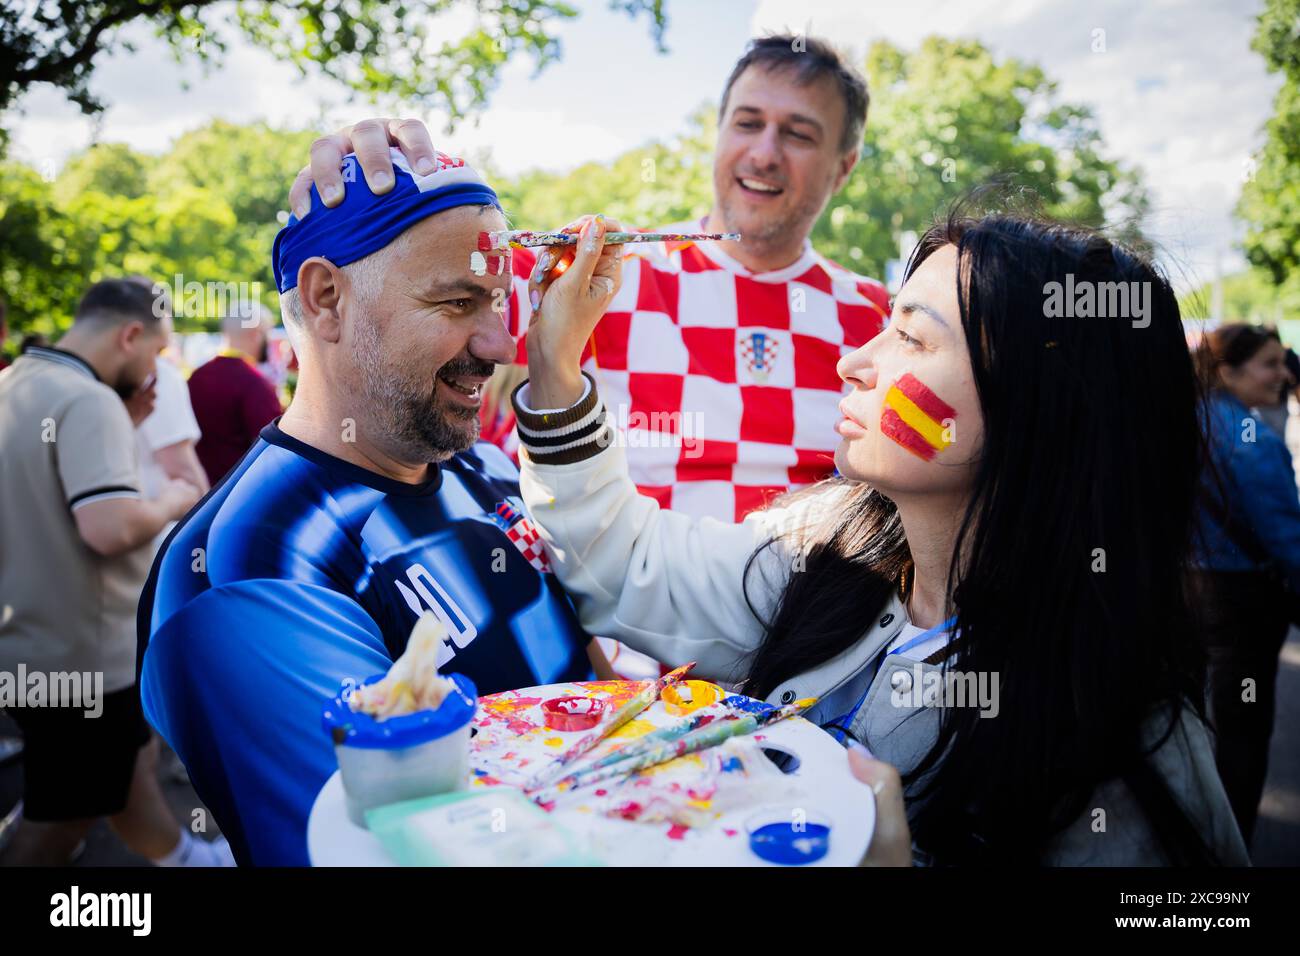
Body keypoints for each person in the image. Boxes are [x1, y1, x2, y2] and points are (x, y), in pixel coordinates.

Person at [510, 207, 1249, 865]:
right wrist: (554, 366)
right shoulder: (829, 552)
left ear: (1039, 411)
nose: (853, 362)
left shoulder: (1135, 753)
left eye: (912, 339)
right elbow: (630, 568)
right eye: (884, 324)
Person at [138, 151, 613, 866]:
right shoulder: (247, 562)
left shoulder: (484, 468)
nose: (497, 343)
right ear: (327, 298)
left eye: (497, 300)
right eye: (457, 303)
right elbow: (404, 849)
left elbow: (591, 675)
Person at [292, 34, 890, 524]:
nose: (764, 152)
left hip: (815, 651)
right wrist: (346, 206)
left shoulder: (883, 322)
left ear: (844, 167)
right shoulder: (601, 272)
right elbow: (401, 293)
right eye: (747, 123)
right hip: (620, 660)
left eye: (798, 134)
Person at [0, 278, 230, 866]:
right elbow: (109, 528)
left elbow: (42, 493)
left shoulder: (18, 383)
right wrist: (176, 498)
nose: (156, 370)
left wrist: (118, 424)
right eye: (155, 352)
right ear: (130, 335)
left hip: (29, 644)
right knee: (61, 820)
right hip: (83, 659)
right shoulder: (88, 399)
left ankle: (182, 856)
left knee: (113, 777)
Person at [1191, 322, 1300, 846]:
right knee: (1242, 735)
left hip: (1180, 595)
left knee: (1186, 726)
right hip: (1242, 607)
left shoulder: (1178, 422)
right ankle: (1226, 857)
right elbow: (1288, 543)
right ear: (1229, 371)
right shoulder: (1251, 441)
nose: (1283, 374)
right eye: (1270, 363)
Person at [187, 301, 284, 486]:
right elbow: (272, 451)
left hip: (201, 493)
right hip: (239, 492)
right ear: (256, 335)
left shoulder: (196, 377)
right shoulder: (255, 383)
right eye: (267, 334)